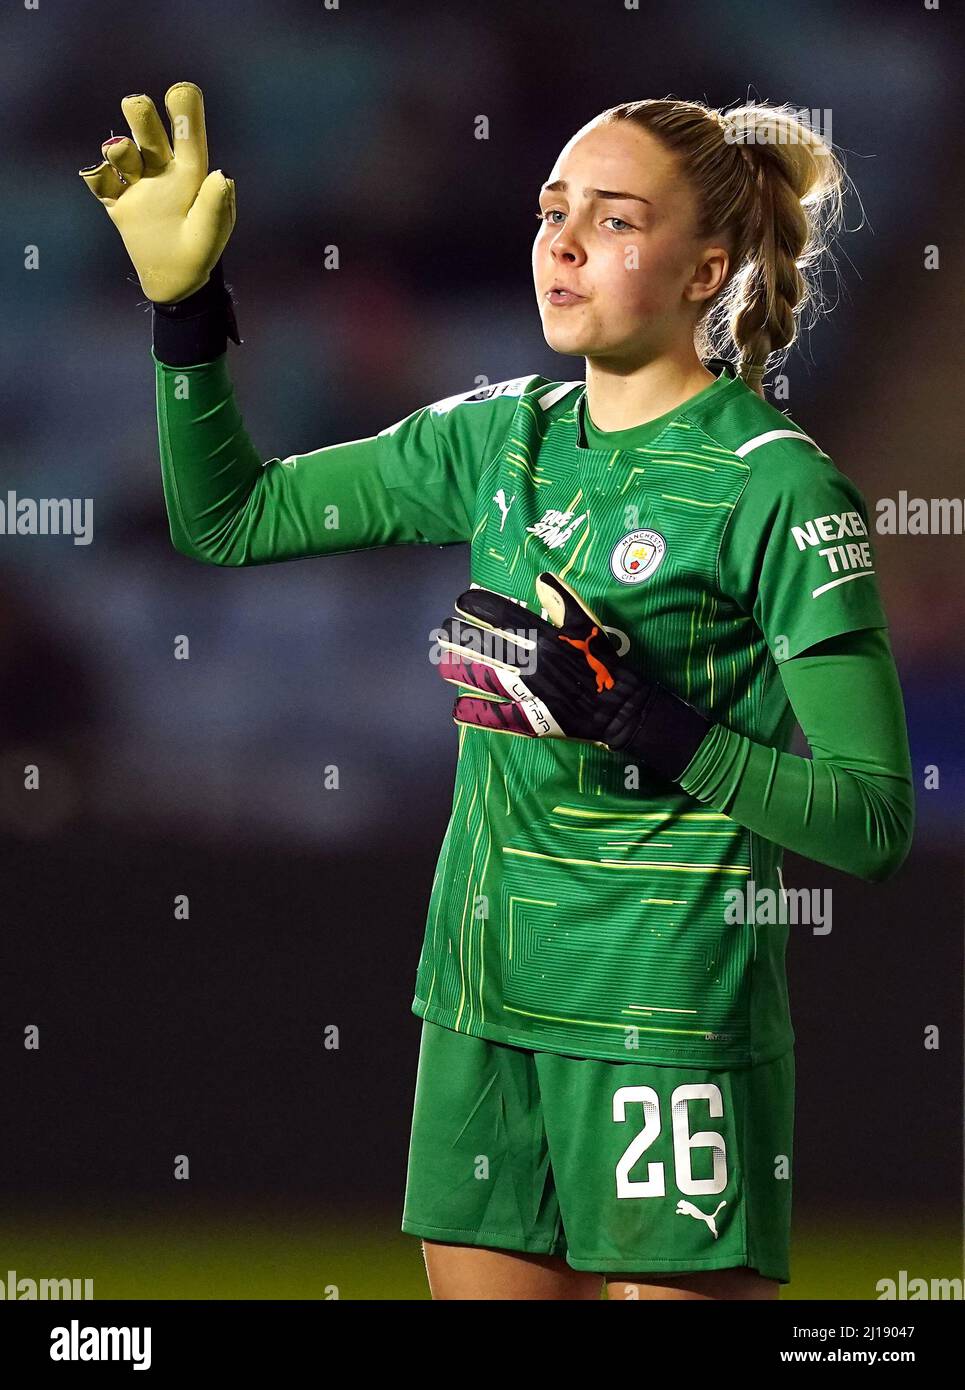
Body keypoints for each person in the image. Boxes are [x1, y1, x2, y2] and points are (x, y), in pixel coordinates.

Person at [80, 85, 914, 1301]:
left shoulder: (776, 489)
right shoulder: (495, 440)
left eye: (615, 220)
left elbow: (872, 819)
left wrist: (648, 722)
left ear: (706, 272)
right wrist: (184, 312)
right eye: (550, 211)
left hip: (662, 1011)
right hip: (479, 996)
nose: (563, 243)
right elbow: (226, 518)